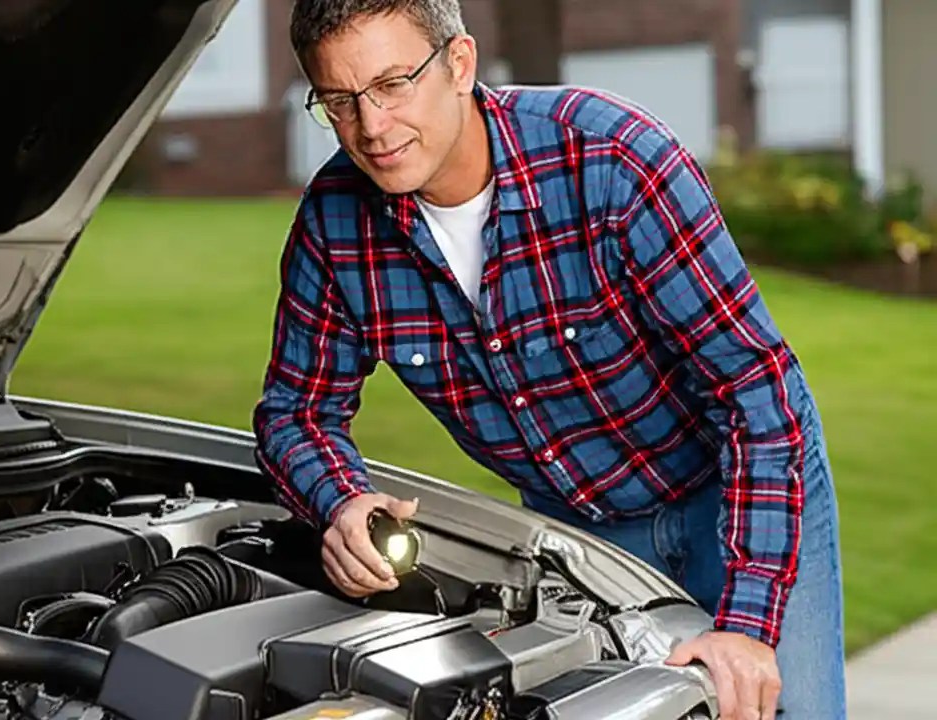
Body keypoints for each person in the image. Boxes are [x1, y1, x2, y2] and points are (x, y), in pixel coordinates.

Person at [250, 1, 847, 719]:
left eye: (393, 84)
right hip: (575, 529)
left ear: (460, 63)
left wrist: (749, 629)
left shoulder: (612, 162)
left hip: (737, 487)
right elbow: (295, 412)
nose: (372, 127)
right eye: (341, 101)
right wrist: (341, 499)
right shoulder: (335, 223)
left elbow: (756, 389)